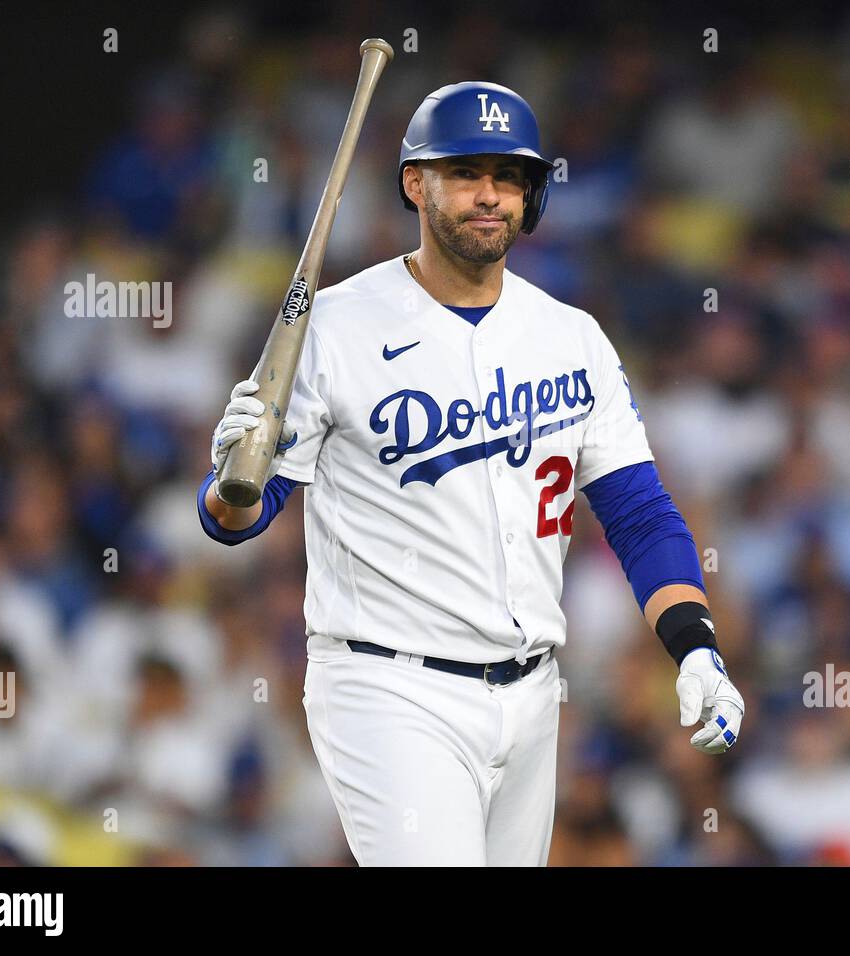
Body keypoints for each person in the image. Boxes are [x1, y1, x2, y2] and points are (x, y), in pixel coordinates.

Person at [197, 82, 744, 865]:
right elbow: (239, 514)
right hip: (389, 687)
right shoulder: (336, 327)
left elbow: (639, 512)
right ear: (416, 183)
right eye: (466, 173)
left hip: (531, 695)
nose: (490, 195)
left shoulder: (572, 336)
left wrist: (695, 646)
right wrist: (231, 476)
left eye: (508, 176)